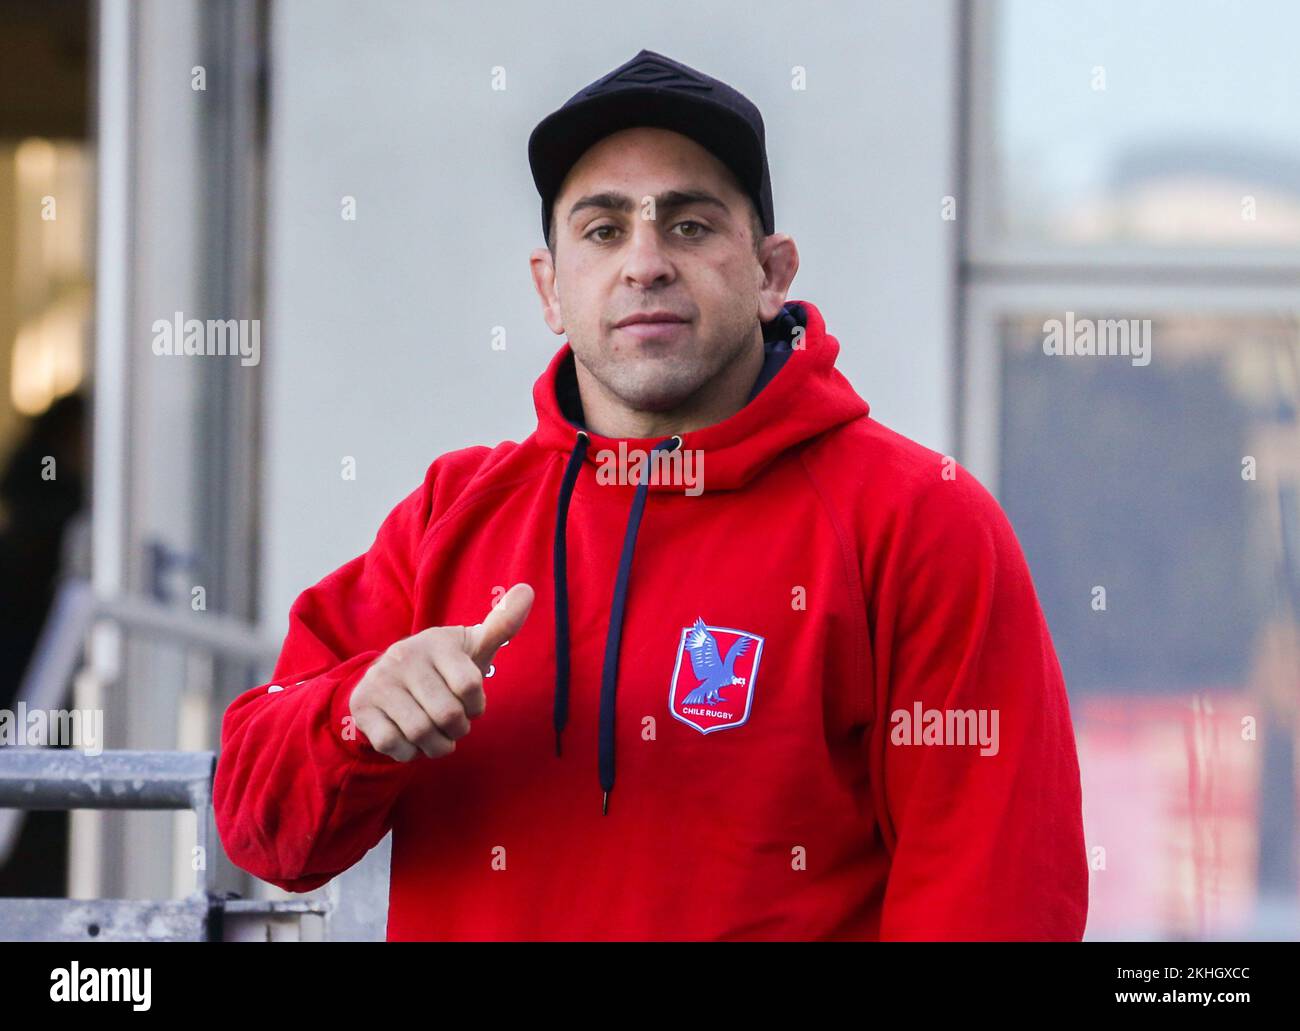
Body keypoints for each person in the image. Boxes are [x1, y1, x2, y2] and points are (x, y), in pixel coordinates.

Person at [213, 49, 1088, 941]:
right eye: (601, 230)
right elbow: (260, 829)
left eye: (691, 225)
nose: (645, 262)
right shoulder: (450, 511)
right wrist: (352, 716)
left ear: (772, 273)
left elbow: (996, 898)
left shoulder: (919, 520)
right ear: (550, 288)